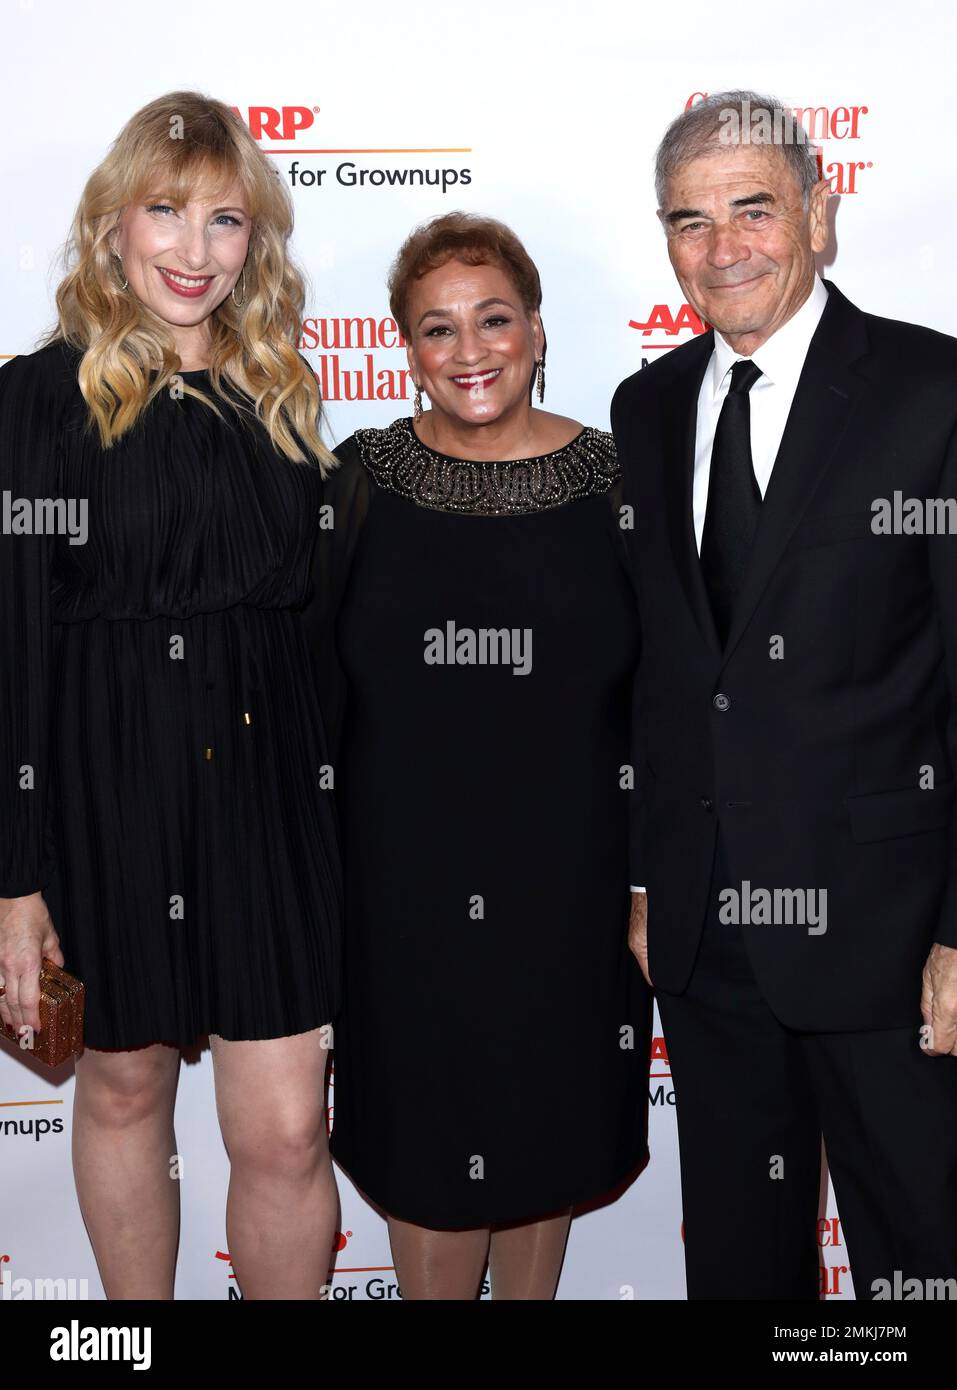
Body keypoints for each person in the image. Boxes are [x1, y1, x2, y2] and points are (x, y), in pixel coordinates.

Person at [612, 89, 957, 1300]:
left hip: (895, 934)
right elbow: (663, 671)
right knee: (744, 1270)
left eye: (753, 208)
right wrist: (653, 879)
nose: (723, 249)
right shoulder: (646, 409)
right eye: (689, 221)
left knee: (919, 1258)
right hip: (710, 939)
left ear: (822, 209)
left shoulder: (932, 389)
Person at [0, 91, 342, 1300]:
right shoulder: (35, 404)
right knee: (126, 1084)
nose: (194, 253)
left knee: (290, 1126)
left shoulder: (282, 399)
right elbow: (13, 649)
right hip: (105, 787)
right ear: (113, 224)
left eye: (225, 222)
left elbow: (315, 631)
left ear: (257, 241)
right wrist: (17, 882)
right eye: (166, 212)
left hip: (264, 802)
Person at [304, 212, 651, 1300]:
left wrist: (647, 886)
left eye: (493, 319)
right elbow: (307, 693)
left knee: (548, 1147)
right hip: (400, 900)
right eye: (437, 328)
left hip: (571, 894)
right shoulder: (356, 482)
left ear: (537, 331)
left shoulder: (618, 482)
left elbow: (673, 698)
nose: (470, 351)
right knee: (427, 1158)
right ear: (403, 348)